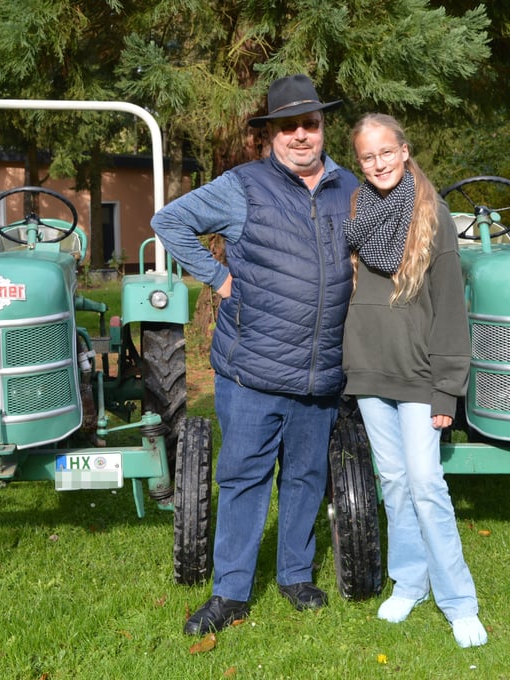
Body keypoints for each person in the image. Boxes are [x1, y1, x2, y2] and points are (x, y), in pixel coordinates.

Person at [151, 74, 360, 635]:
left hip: (321, 370)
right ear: (270, 133)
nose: (300, 135)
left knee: (305, 477)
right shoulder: (242, 186)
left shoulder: (350, 189)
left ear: (323, 128)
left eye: (309, 124)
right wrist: (220, 280)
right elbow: (169, 222)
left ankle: (295, 576)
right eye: (287, 126)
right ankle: (231, 592)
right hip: (252, 372)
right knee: (243, 477)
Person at [341, 113, 487, 648]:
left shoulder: (433, 215)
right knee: (395, 484)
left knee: (427, 484)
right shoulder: (356, 210)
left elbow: (450, 306)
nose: (378, 163)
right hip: (368, 368)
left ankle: (459, 601)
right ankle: (410, 581)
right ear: (360, 162)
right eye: (367, 156)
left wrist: (448, 386)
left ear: (404, 151)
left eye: (386, 152)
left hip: (421, 373)